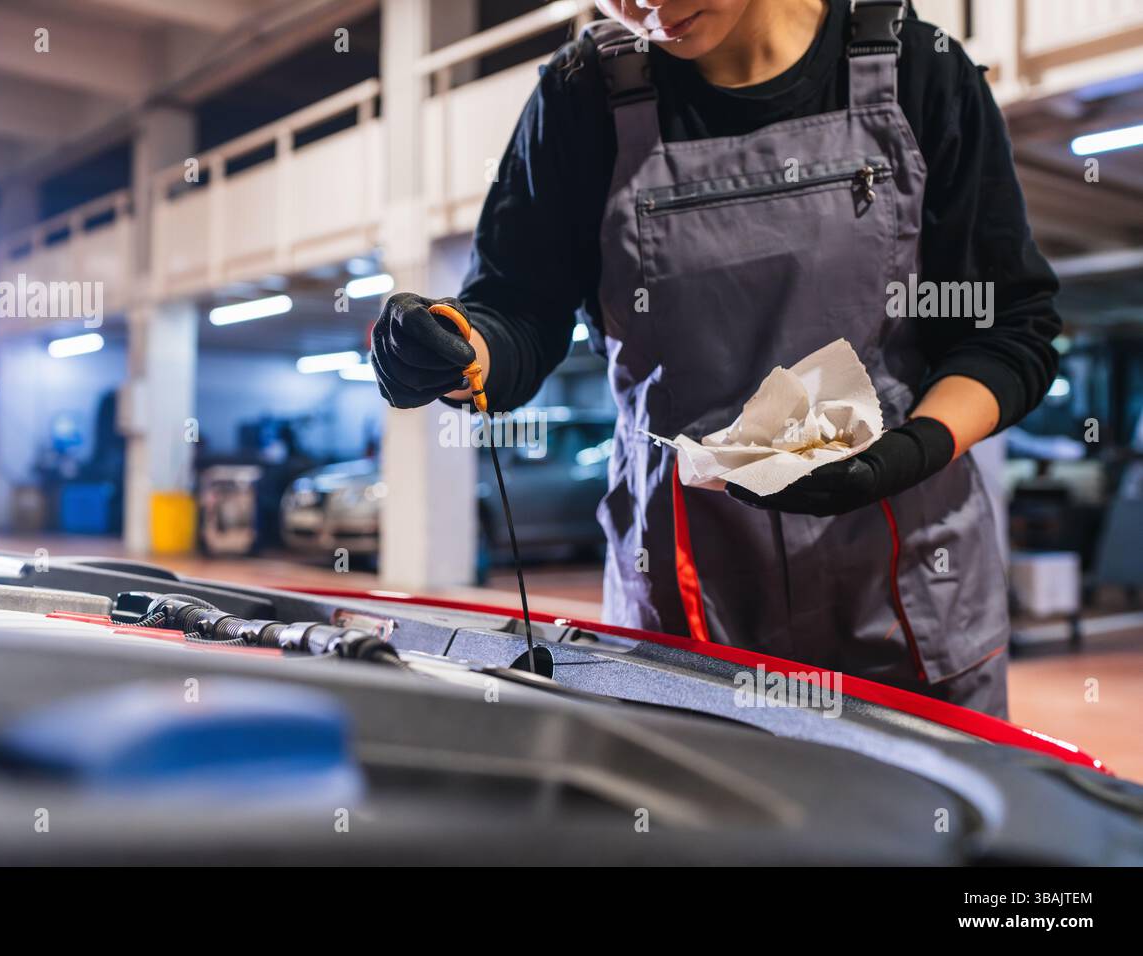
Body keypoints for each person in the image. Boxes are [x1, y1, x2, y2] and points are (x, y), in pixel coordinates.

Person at [369, 0, 1061, 717]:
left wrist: (914, 449)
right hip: (682, 604)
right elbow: (518, 310)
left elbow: (1008, 325)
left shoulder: (919, 67)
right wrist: (454, 349)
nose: (647, 4)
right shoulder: (582, 95)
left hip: (905, 600)